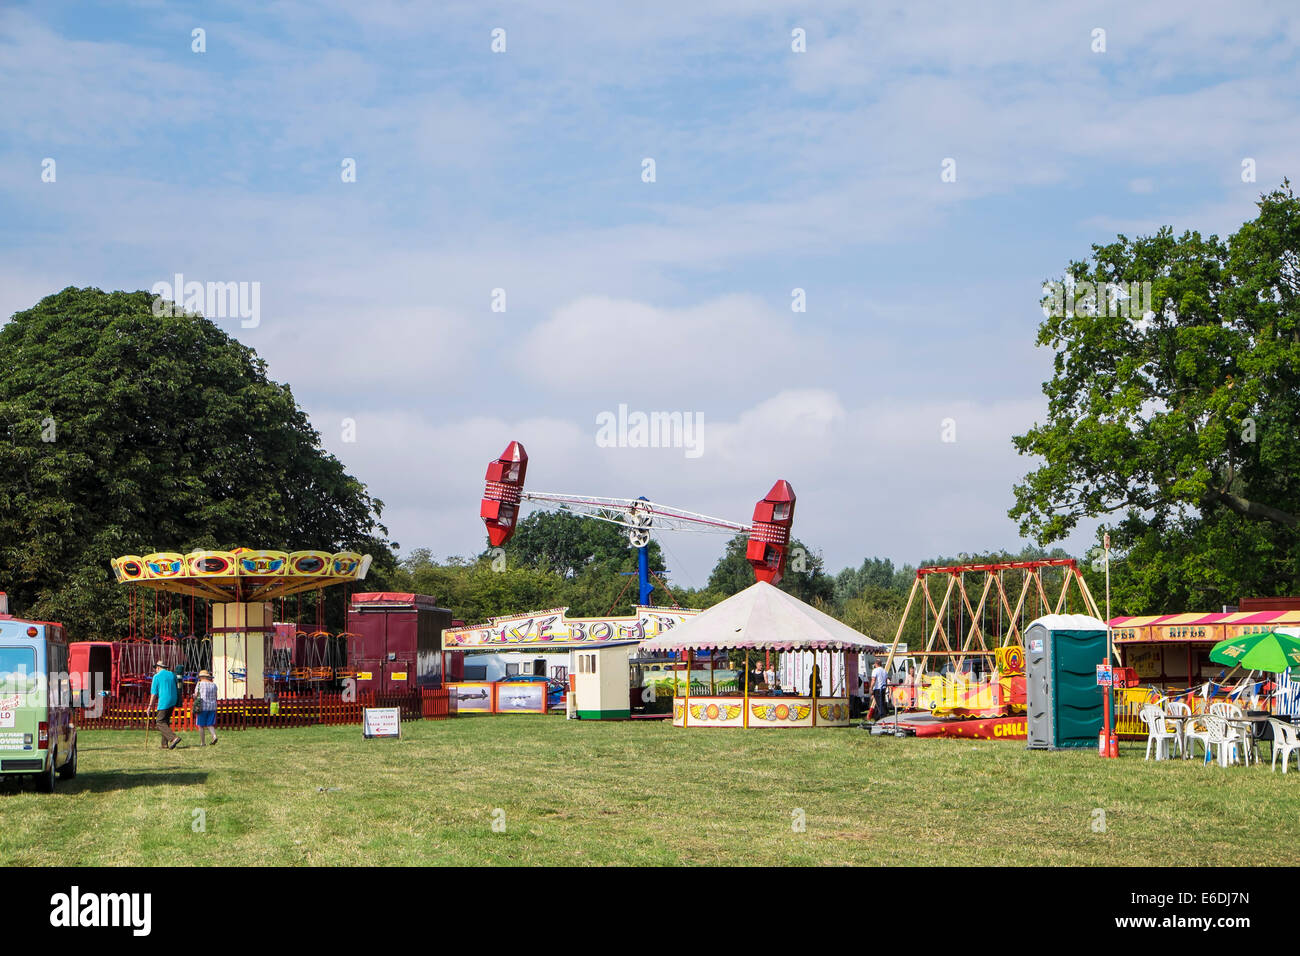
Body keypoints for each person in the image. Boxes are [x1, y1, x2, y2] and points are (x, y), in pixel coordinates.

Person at [148, 660, 181, 750]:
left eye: (155, 668)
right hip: (173, 699)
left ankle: (173, 738)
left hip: (164, 700)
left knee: (159, 722)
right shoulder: (172, 674)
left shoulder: (156, 676)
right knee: (165, 721)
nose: (155, 670)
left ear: (158, 668)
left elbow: (154, 693)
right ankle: (164, 744)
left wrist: (150, 705)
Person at [194, 669, 218, 746]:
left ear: (201, 677)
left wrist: (194, 696)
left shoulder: (199, 684)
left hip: (202, 706)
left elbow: (196, 694)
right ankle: (214, 736)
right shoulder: (214, 685)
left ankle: (203, 742)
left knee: (200, 725)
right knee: (210, 724)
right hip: (212, 706)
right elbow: (215, 696)